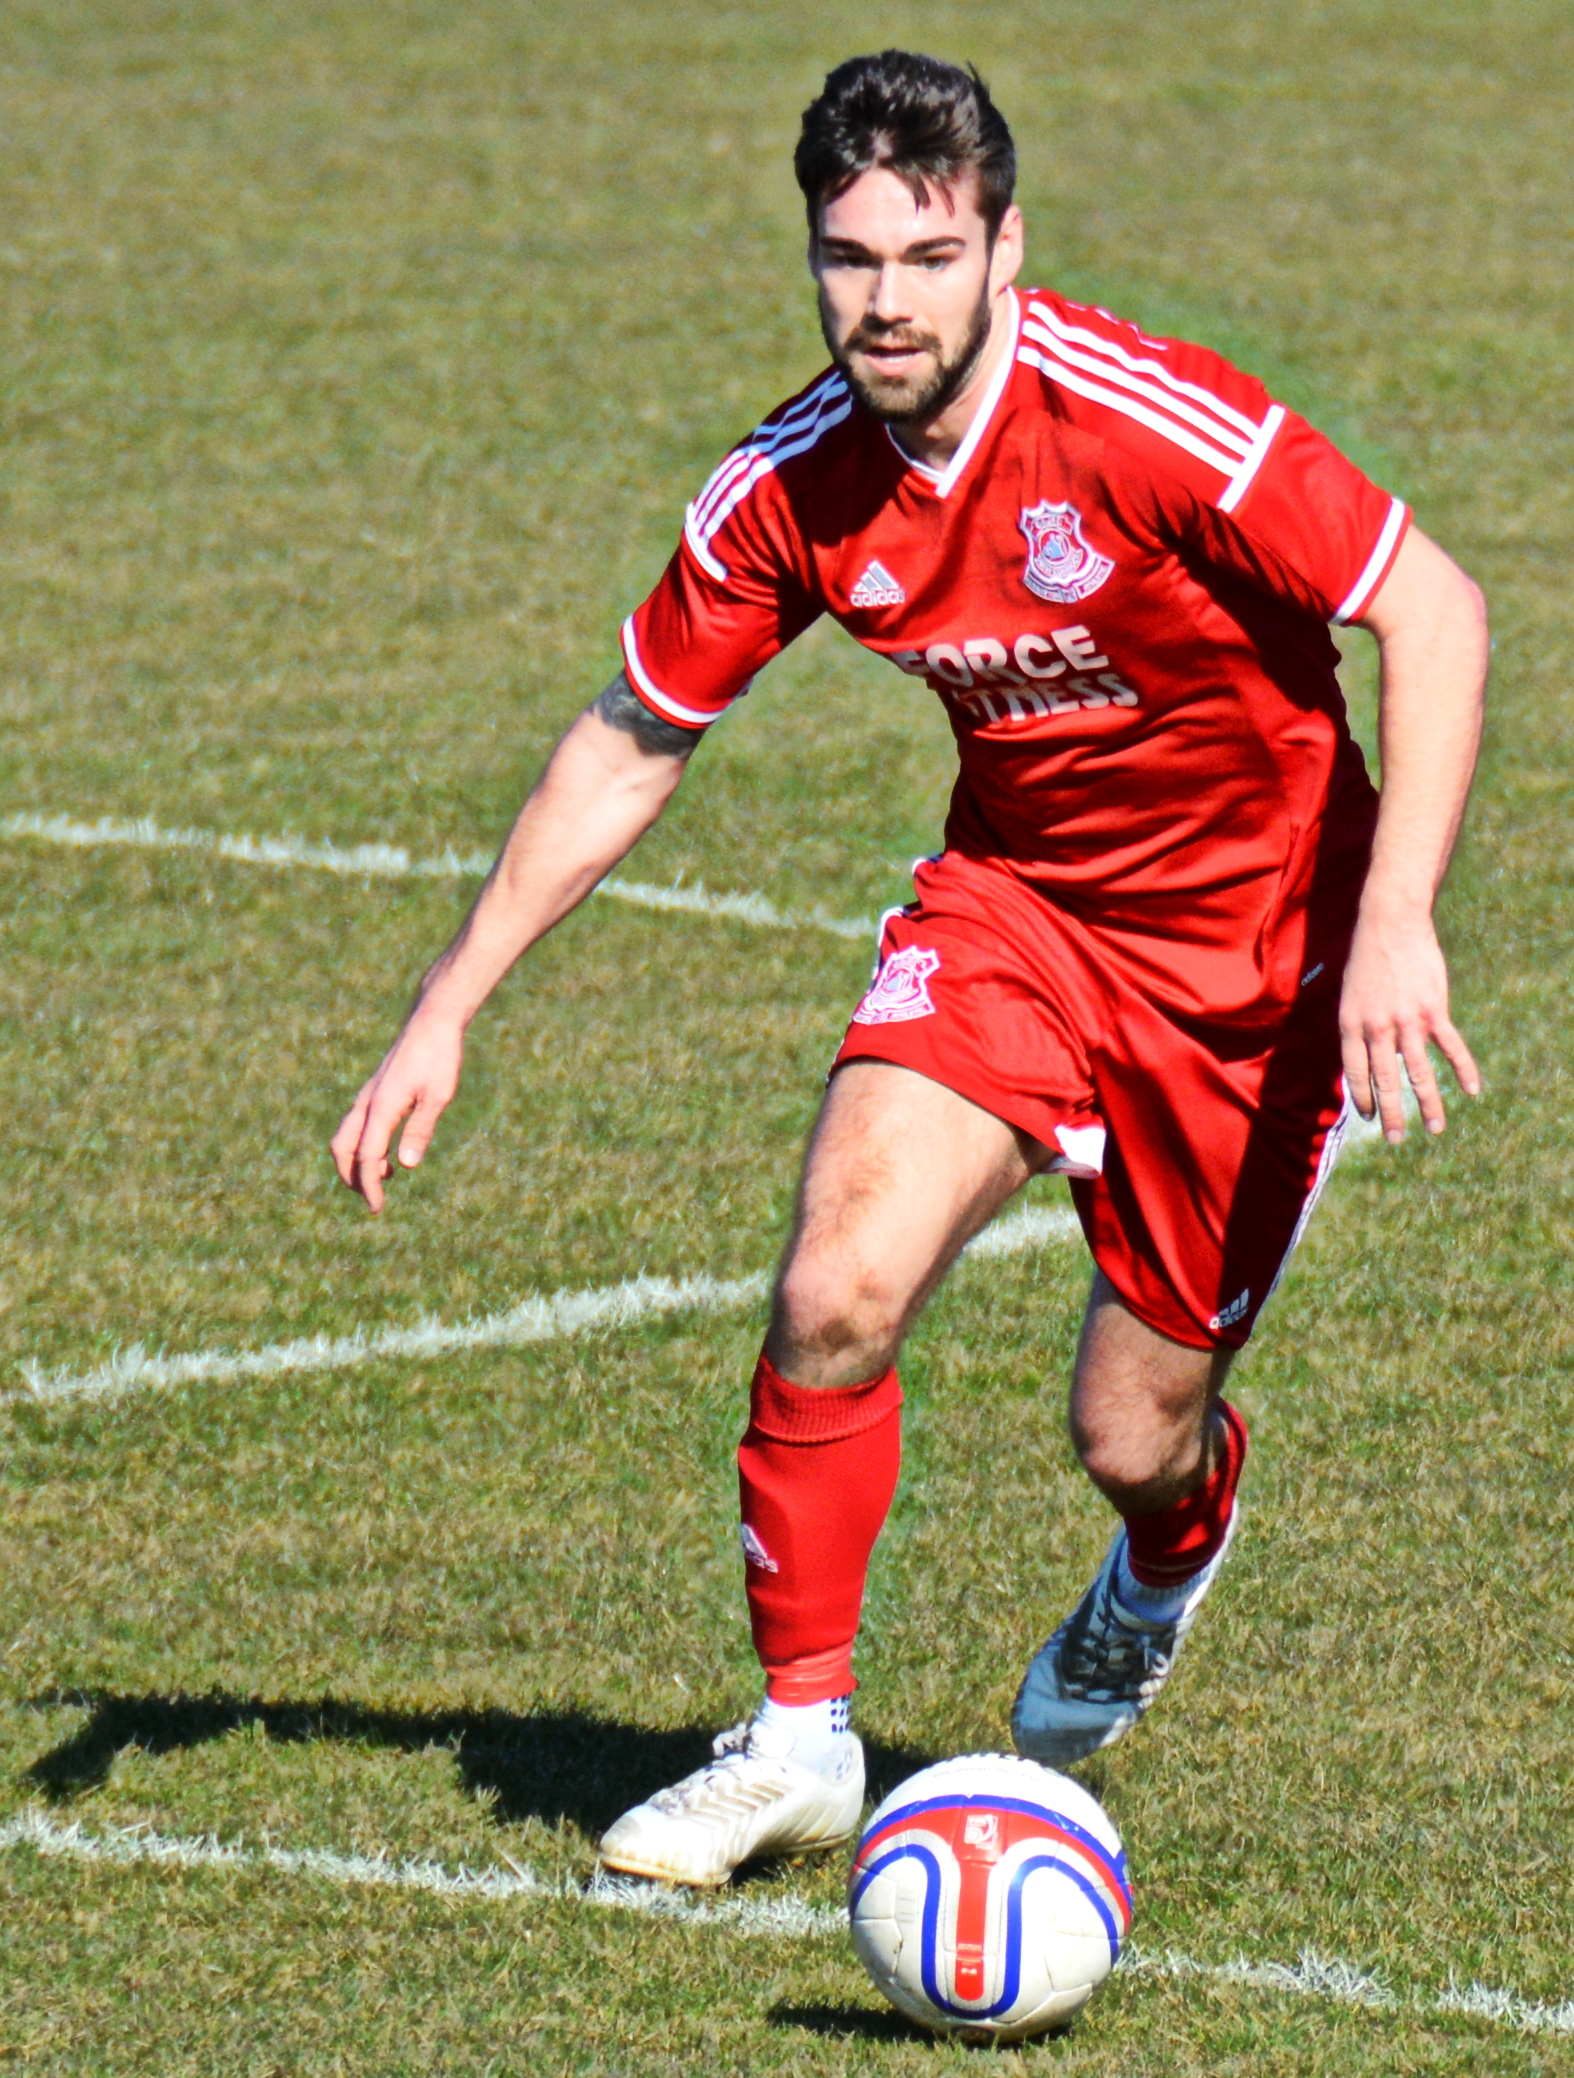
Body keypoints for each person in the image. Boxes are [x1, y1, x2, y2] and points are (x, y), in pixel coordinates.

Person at [332, 49, 1487, 1889]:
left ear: (1002, 248)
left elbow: (1430, 602)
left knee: (1130, 1428)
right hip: (1015, 914)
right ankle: (798, 1738)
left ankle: (1169, 1550)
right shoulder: (791, 486)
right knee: (835, 1282)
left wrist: (1399, 917)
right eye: (849, 257)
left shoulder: (1137, 416)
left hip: (1261, 968)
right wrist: (444, 1006)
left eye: (927, 255)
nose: (886, 301)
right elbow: (637, 732)